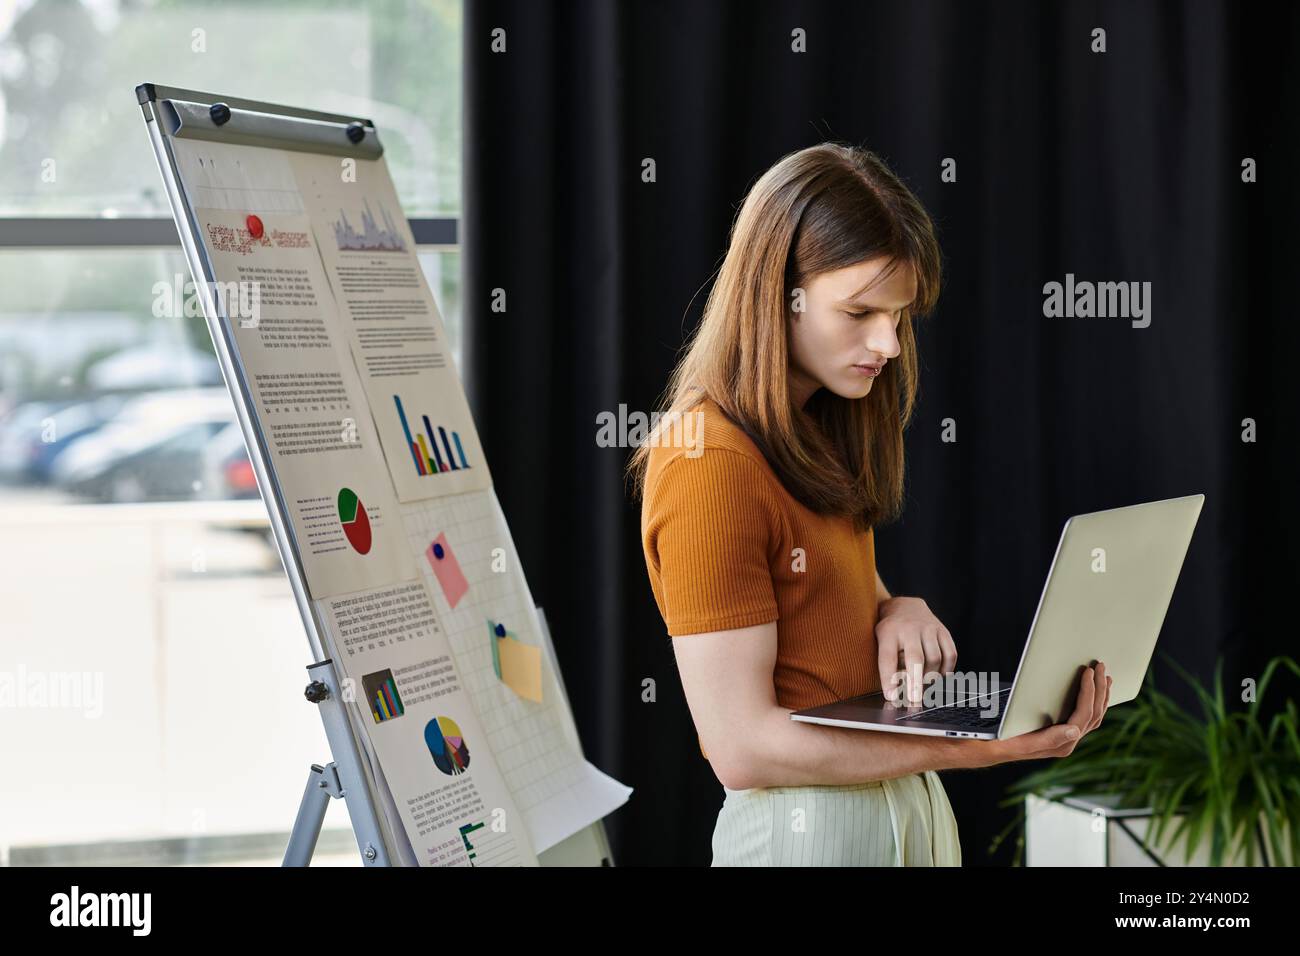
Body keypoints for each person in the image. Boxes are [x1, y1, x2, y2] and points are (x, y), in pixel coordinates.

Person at [628, 143, 1112, 866]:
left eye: (898, 315)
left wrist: (896, 606)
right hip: (807, 834)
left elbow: (823, 600)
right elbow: (741, 747)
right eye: (858, 311)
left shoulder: (810, 427)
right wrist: (977, 750)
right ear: (775, 294)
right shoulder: (706, 460)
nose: (886, 342)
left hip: (898, 810)